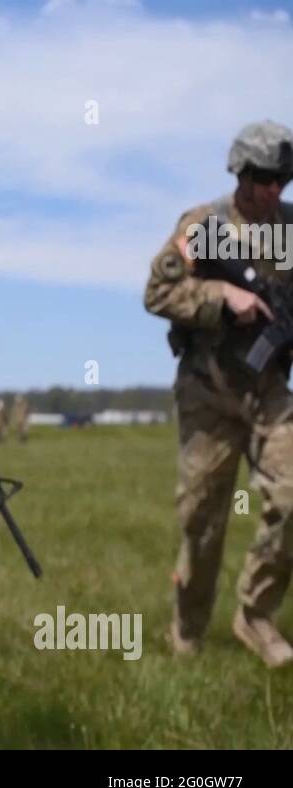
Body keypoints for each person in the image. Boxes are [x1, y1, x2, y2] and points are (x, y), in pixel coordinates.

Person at [144, 119, 293, 667]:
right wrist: (220, 294)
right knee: (203, 520)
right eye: (261, 178)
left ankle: (255, 615)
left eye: (282, 179)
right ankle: (188, 630)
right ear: (239, 173)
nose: (272, 190)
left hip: (270, 388)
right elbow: (157, 291)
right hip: (208, 388)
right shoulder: (204, 225)